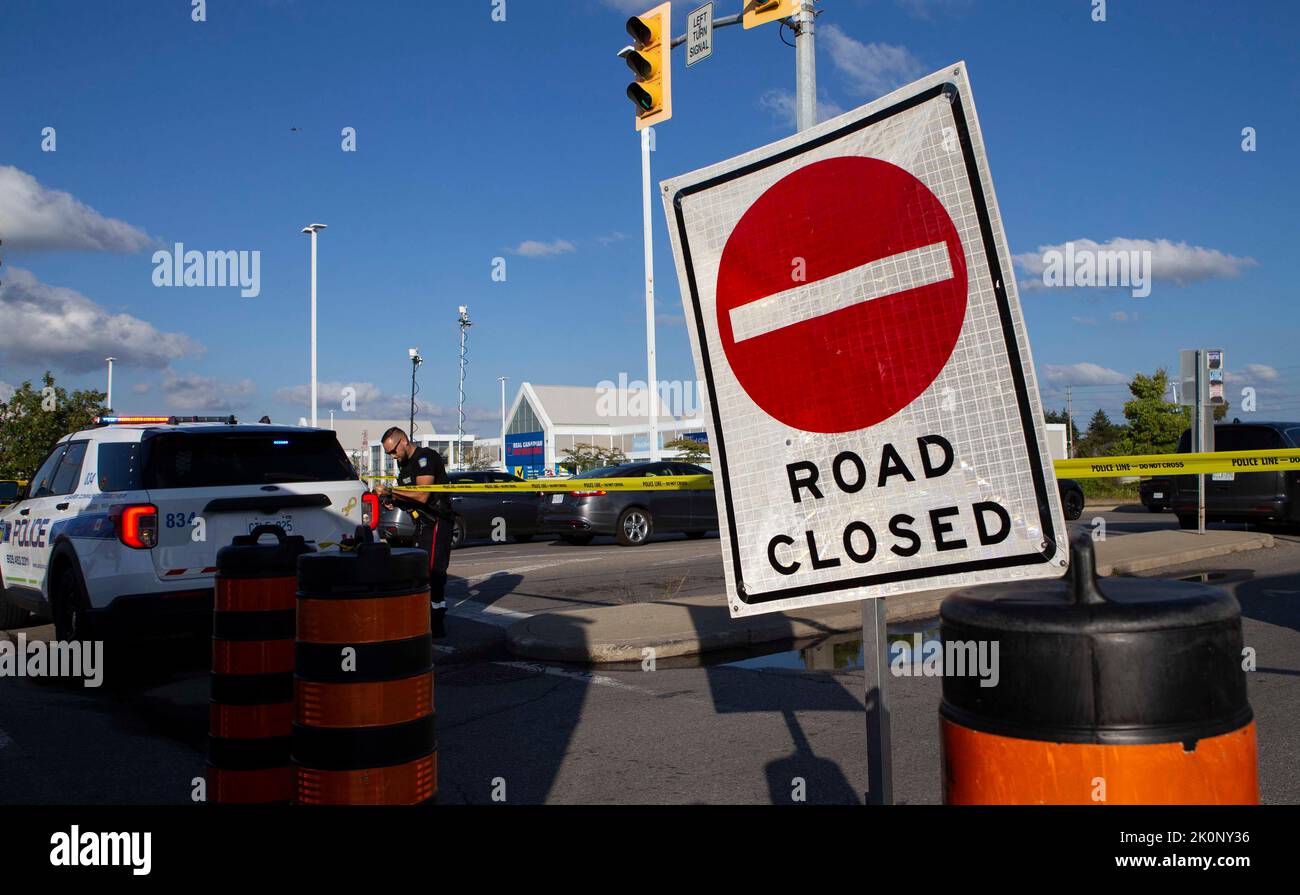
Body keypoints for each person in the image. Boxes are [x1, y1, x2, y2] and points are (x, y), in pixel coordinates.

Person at [377, 427, 453, 638]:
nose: (393, 456)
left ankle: (436, 621)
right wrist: (392, 500)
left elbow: (421, 496)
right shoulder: (405, 465)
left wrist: (391, 491)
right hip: (421, 523)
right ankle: (423, 616)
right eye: (388, 454)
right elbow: (408, 496)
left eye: (393, 451)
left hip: (437, 519)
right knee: (420, 571)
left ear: (403, 441)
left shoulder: (425, 457)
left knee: (434, 571)